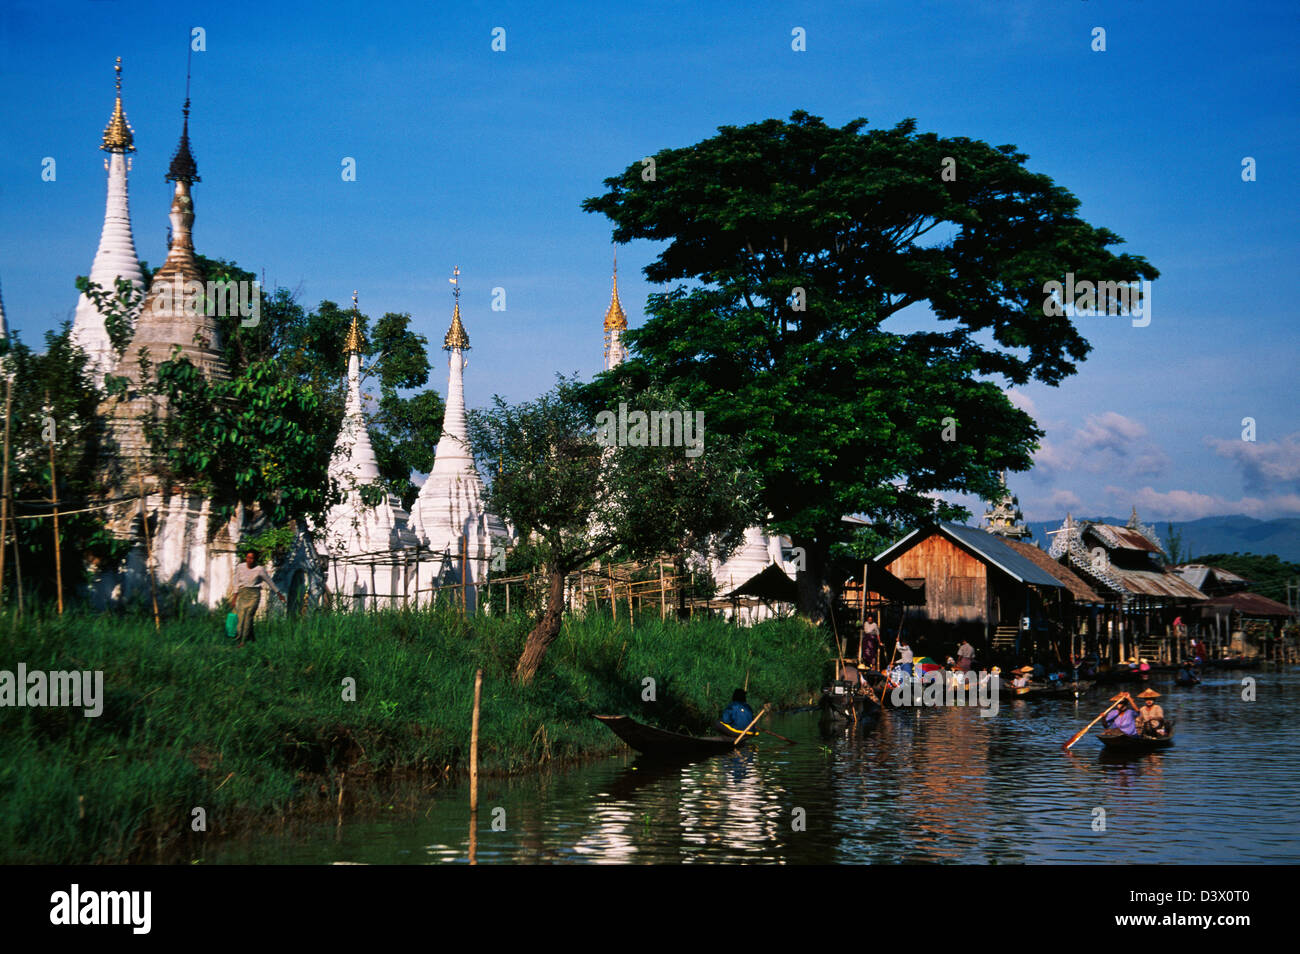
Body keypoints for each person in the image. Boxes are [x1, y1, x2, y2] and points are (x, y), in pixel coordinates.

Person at [229, 550, 286, 647]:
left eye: (252, 558)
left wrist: (279, 593)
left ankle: (243, 641)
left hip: (254, 595)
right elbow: (236, 582)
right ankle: (248, 637)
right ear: (245, 558)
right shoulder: (240, 567)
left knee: (248, 617)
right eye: (248, 558)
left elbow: (269, 581)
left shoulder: (260, 569)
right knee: (241, 617)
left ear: (255, 559)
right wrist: (234, 598)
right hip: (243, 594)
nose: (249, 560)